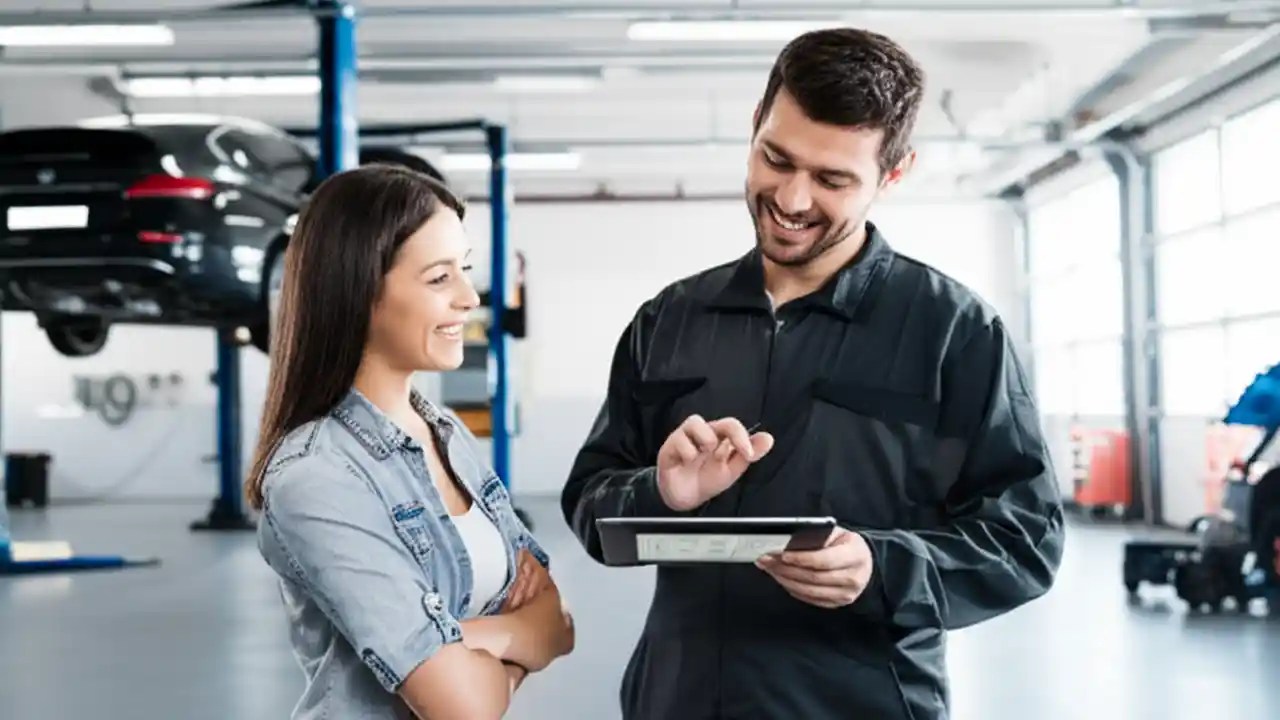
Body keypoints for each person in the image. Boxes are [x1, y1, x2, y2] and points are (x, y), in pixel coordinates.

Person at [560, 27, 1065, 720]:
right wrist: (659, 493)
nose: (792, 199)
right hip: (678, 699)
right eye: (776, 158)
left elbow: (1026, 537)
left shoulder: (953, 331)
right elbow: (591, 502)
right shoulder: (670, 319)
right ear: (755, 126)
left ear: (893, 174)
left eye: (832, 179)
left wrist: (882, 568)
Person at [247, 164, 574, 720]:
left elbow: (556, 620)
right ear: (360, 292)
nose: (469, 297)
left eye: (465, 270)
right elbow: (464, 707)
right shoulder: (316, 476)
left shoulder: (444, 431)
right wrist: (522, 637)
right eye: (440, 278)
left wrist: (474, 641)